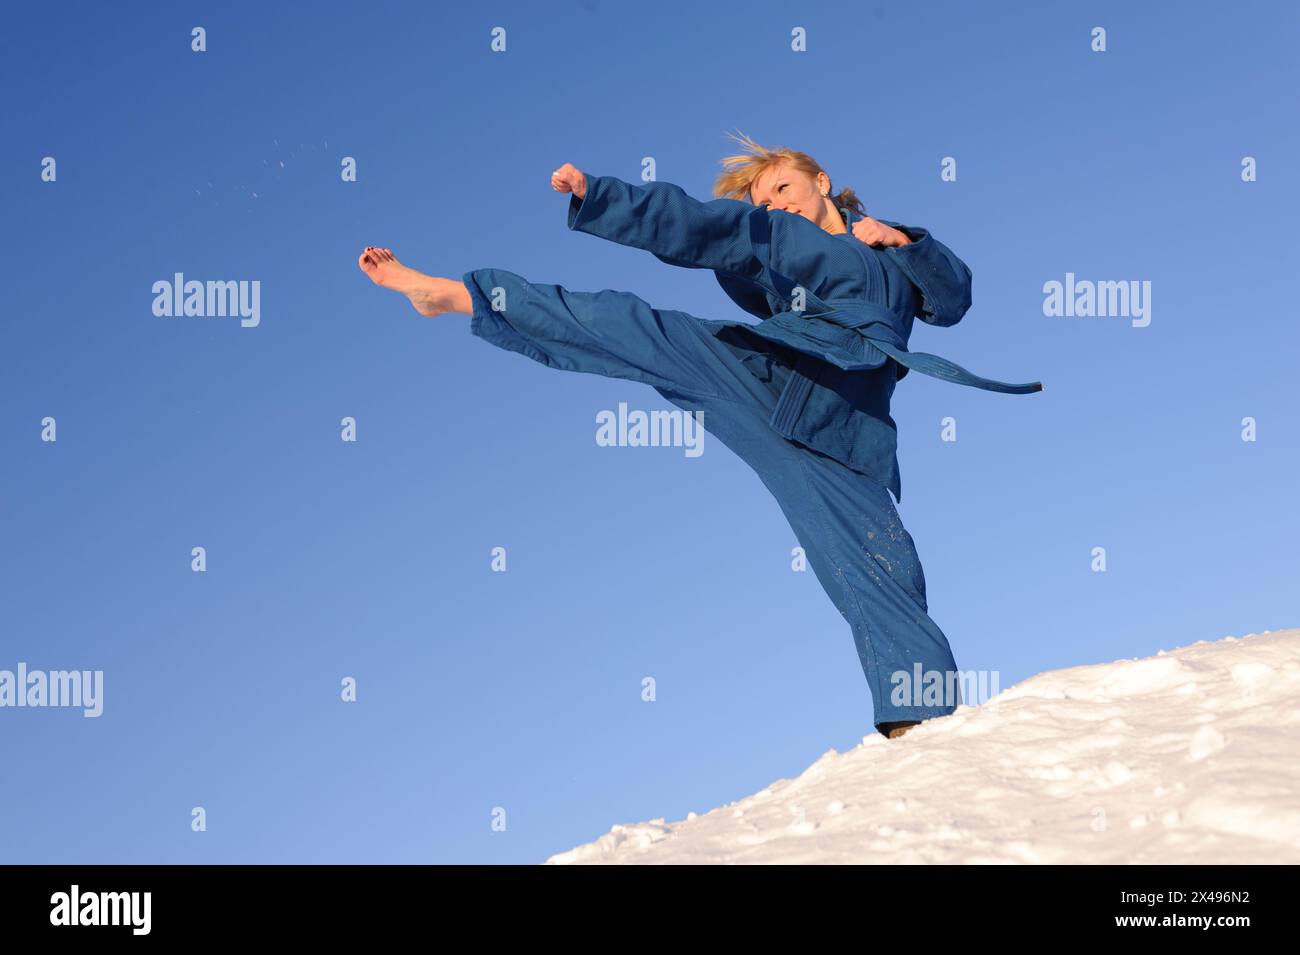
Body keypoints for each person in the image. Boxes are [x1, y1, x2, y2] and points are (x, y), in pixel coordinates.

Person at [358, 133, 1041, 740]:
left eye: (782, 186)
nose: (773, 202)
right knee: (631, 326)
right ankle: (457, 294)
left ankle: (922, 730)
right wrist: (603, 197)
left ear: (821, 180)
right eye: (762, 196)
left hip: (843, 426)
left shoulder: (878, 249)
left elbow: (952, 300)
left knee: (884, 566)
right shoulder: (780, 241)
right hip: (766, 376)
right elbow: (711, 230)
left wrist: (904, 240)